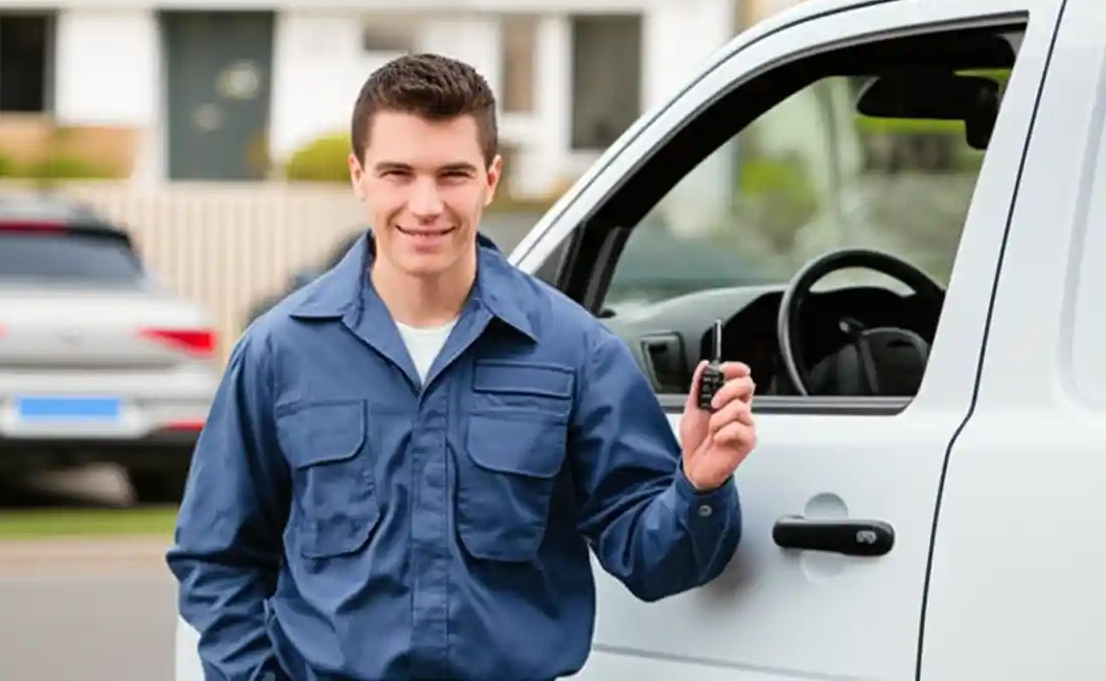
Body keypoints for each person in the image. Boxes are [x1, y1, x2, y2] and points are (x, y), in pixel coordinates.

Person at [166, 52, 758, 681]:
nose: (426, 205)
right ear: (359, 175)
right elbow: (217, 560)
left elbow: (654, 560)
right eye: (399, 173)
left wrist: (699, 485)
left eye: (453, 174)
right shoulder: (278, 353)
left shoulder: (576, 352)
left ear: (490, 179)